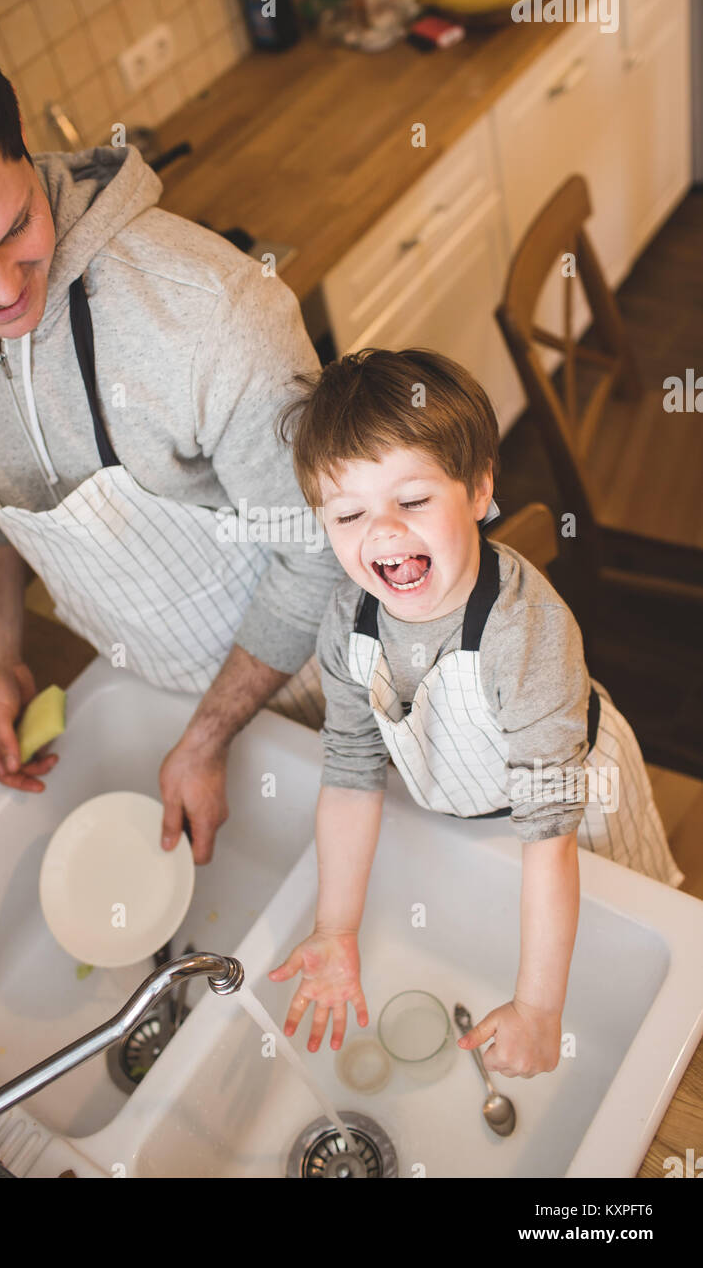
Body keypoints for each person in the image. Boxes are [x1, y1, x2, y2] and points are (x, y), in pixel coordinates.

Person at [0, 5, 342, 865]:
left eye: (14, 230)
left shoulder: (209, 313)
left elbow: (318, 550)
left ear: (23, 137)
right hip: (150, 683)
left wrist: (209, 734)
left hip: (339, 678)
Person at [268, 347, 683, 1077]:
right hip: (469, 808)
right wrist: (336, 926)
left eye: (413, 500)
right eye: (349, 513)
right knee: (549, 948)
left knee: (638, 947)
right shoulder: (345, 623)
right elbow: (351, 771)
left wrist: (538, 1011)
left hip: (574, 810)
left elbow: (549, 839)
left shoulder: (522, 634)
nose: (384, 531)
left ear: (479, 489)